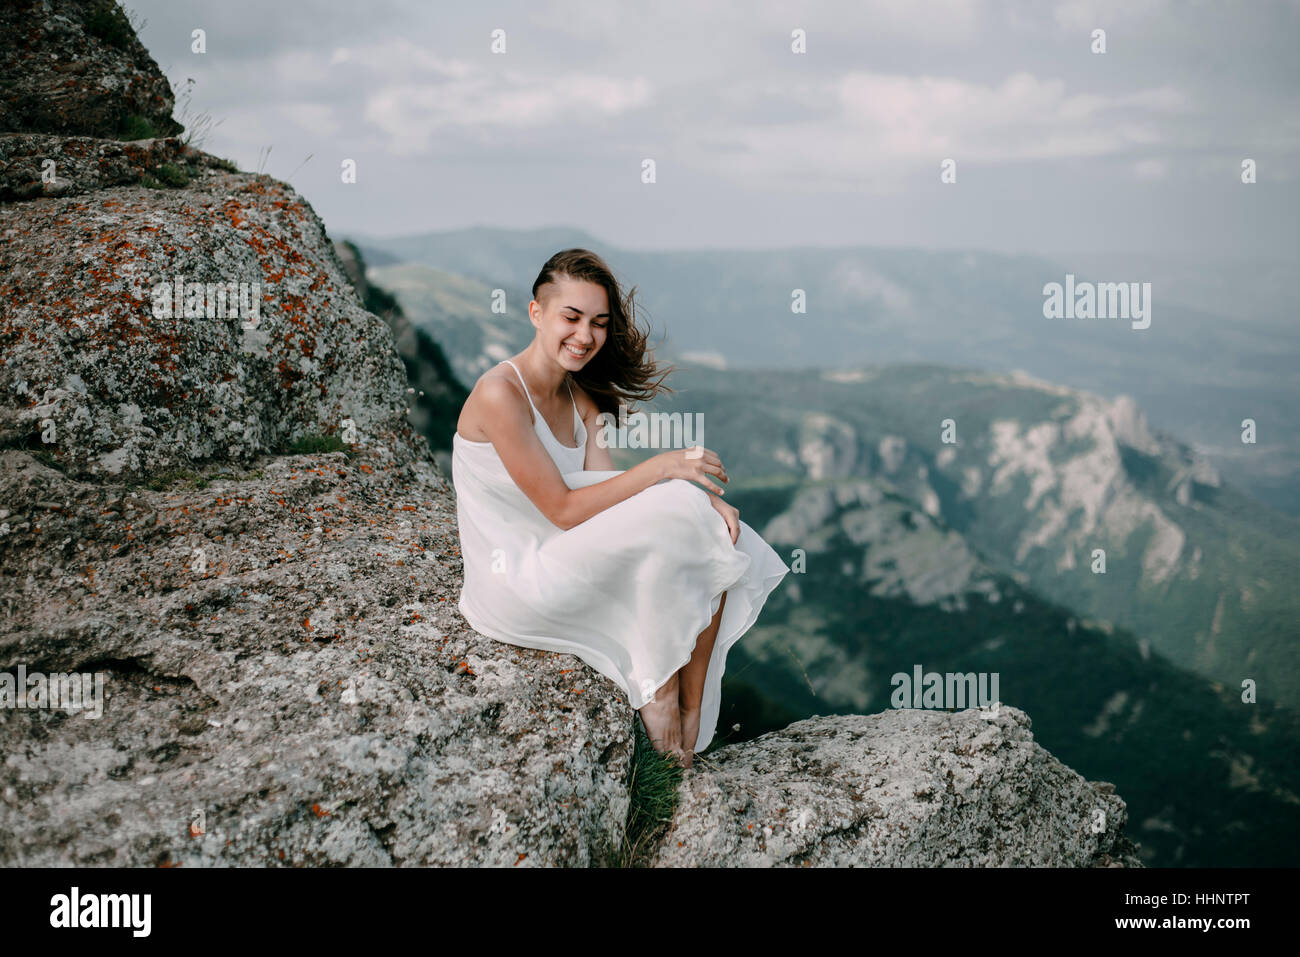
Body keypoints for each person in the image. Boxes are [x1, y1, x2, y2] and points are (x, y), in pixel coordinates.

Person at [451, 248, 789, 768]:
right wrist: (664, 470)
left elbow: (615, 504)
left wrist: (694, 500)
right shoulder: (499, 395)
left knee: (715, 535)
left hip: (563, 553)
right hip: (516, 580)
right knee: (681, 515)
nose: (585, 336)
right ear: (535, 313)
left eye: (599, 323)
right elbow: (564, 509)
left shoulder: (580, 397)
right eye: (571, 317)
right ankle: (660, 701)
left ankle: (688, 721)